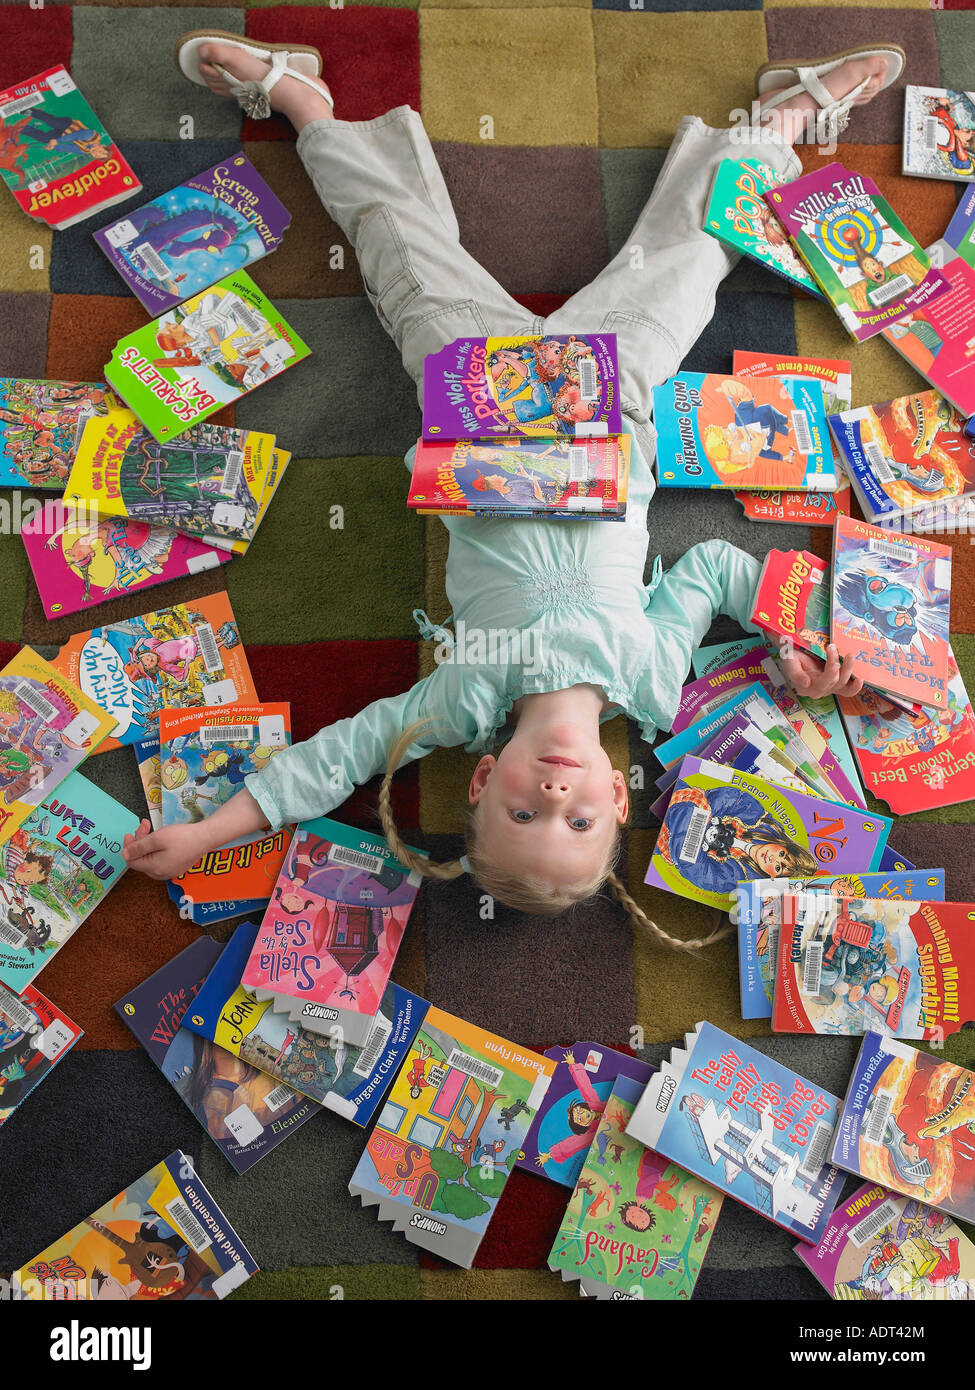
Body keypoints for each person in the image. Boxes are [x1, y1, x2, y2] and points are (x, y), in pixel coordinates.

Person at [122, 34, 897, 945]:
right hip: (616, 390)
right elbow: (718, 567)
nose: (554, 796)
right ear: (617, 792)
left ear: (484, 781)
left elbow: (337, 760)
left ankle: (307, 106)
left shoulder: (462, 700)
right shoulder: (650, 682)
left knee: (395, 250)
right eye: (579, 820)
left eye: (522, 816)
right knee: (696, 262)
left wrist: (210, 832)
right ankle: (781, 122)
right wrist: (792, 646)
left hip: (476, 393)